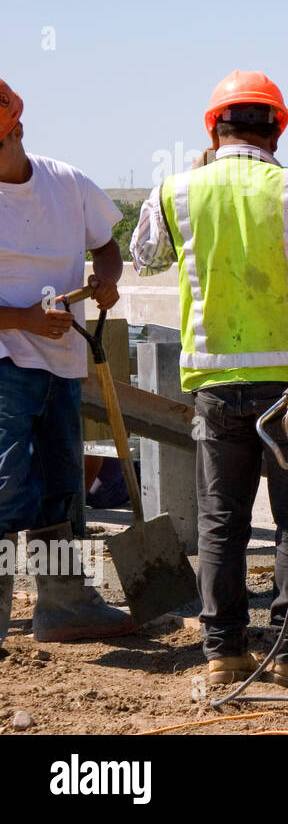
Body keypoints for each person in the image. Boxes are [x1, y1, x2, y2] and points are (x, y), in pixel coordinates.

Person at [130, 71, 288, 686]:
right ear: (277, 128)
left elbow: (144, 257)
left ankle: (225, 650)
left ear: (213, 129)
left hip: (216, 388)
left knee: (221, 519)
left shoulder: (176, 191)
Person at [0, 77, 136, 649]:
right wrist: (24, 319)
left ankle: (65, 605)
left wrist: (105, 279)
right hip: (6, 359)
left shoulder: (65, 183)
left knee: (62, 484)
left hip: (61, 362)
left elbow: (106, 246)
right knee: (6, 483)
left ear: (16, 132)